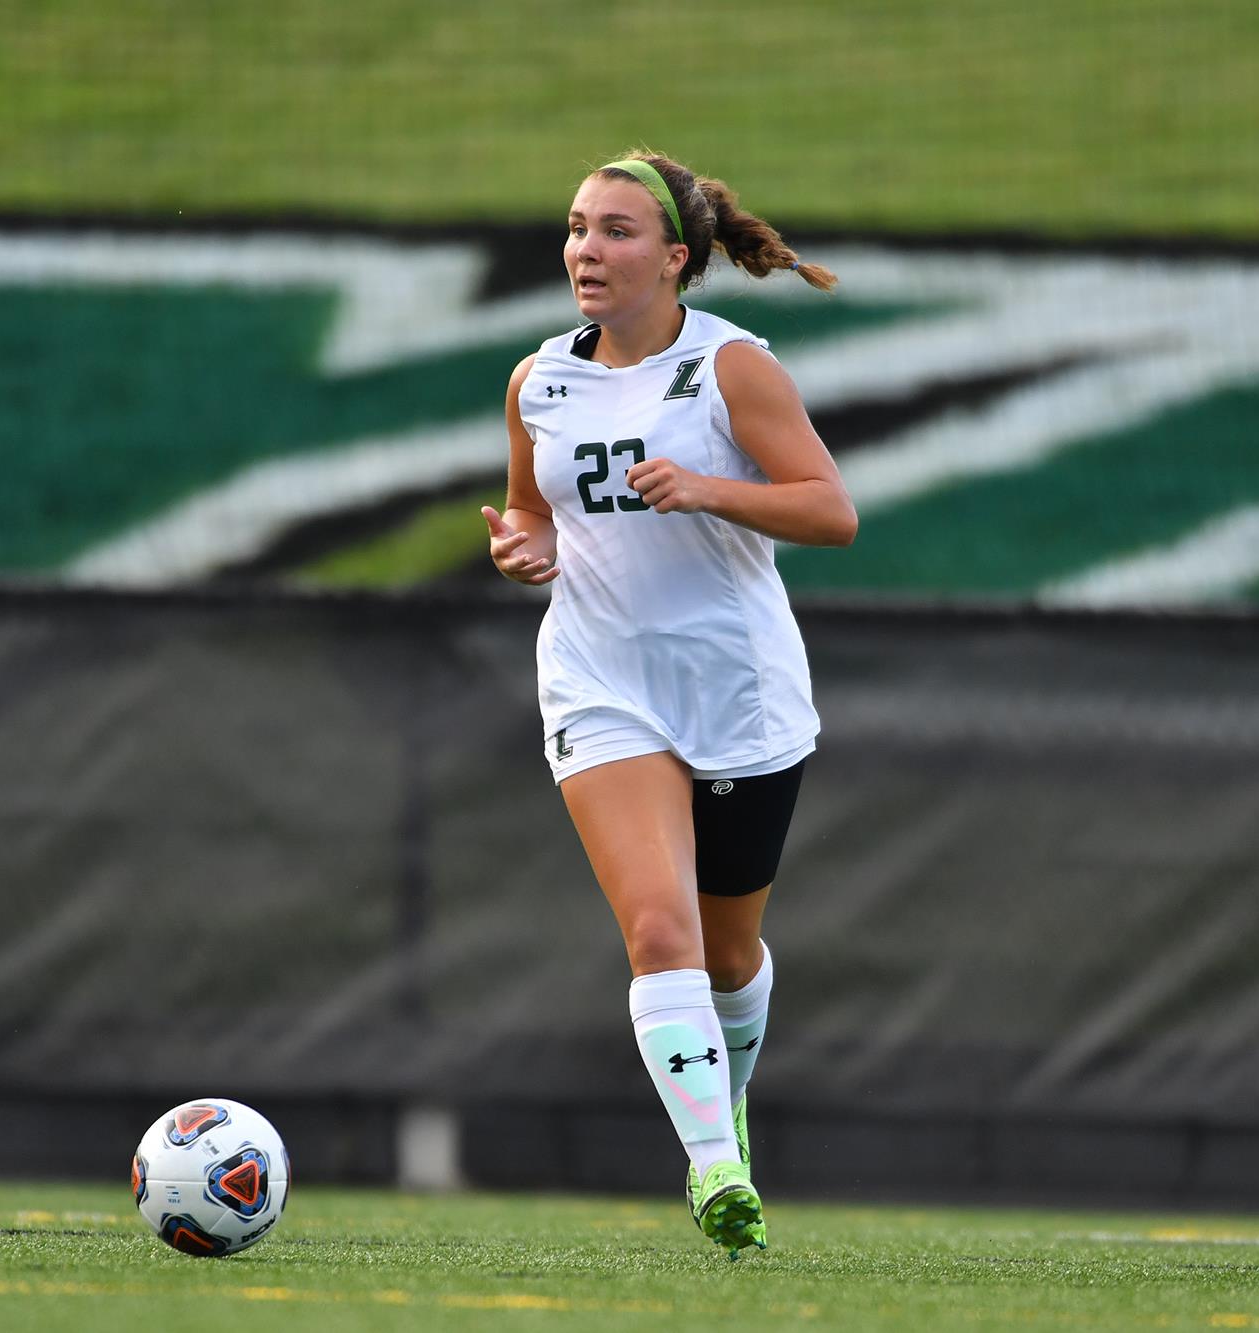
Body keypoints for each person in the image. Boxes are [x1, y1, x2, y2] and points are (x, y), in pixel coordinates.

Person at [481, 150, 855, 1259]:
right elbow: (529, 516)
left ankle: (722, 1103)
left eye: (615, 232)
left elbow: (829, 511)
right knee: (659, 932)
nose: (585, 251)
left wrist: (705, 487)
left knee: (729, 954)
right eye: (576, 227)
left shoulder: (731, 369)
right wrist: (520, 549)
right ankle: (714, 1168)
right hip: (600, 680)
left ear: (675, 258)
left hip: (734, 690)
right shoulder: (536, 380)